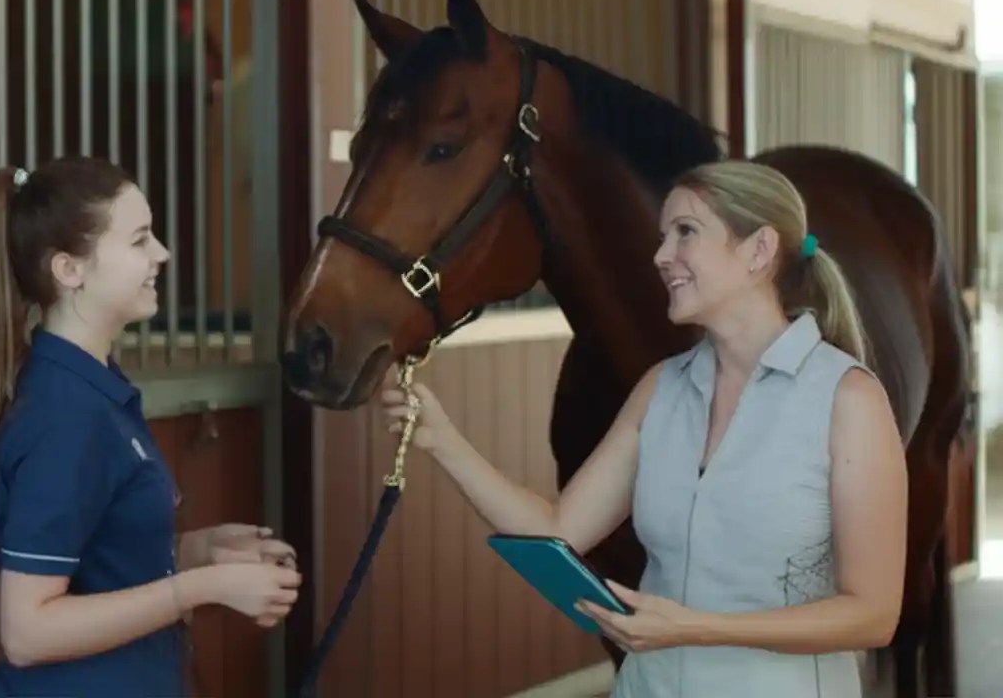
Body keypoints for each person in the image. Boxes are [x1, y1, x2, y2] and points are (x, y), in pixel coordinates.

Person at [382, 161, 907, 696]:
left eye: (686, 232)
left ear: (759, 250)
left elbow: (872, 615)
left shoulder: (848, 399)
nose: (661, 256)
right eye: (663, 236)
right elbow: (558, 529)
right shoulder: (662, 389)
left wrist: (697, 629)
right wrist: (442, 441)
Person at [0, 156, 301, 698]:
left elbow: (101, 565)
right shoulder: (66, 413)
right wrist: (199, 587)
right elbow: (27, 631)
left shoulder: (91, 386)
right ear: (70, 270)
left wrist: (200, 551)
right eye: (139, 240)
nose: (161, 253)